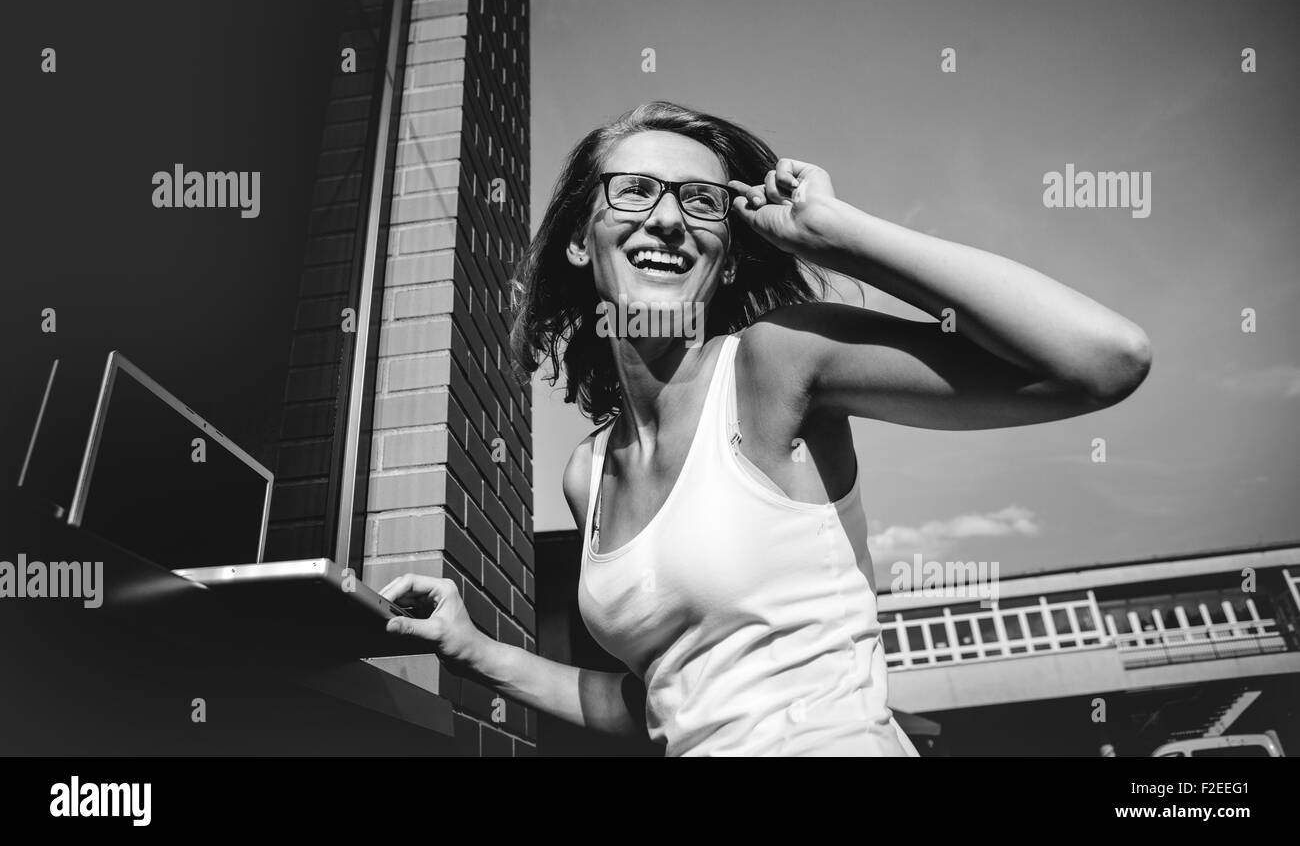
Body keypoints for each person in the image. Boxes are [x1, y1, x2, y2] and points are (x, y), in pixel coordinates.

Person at [379, 100, 1152, 756]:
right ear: (582, 240)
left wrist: (838, 231)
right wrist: (473, 651)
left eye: (701, 201)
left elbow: (1103, 360)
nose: (670, 218)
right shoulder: (588, 473)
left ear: (730, 258)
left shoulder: (778, 364)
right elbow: (660, 703)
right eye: (635, 190)